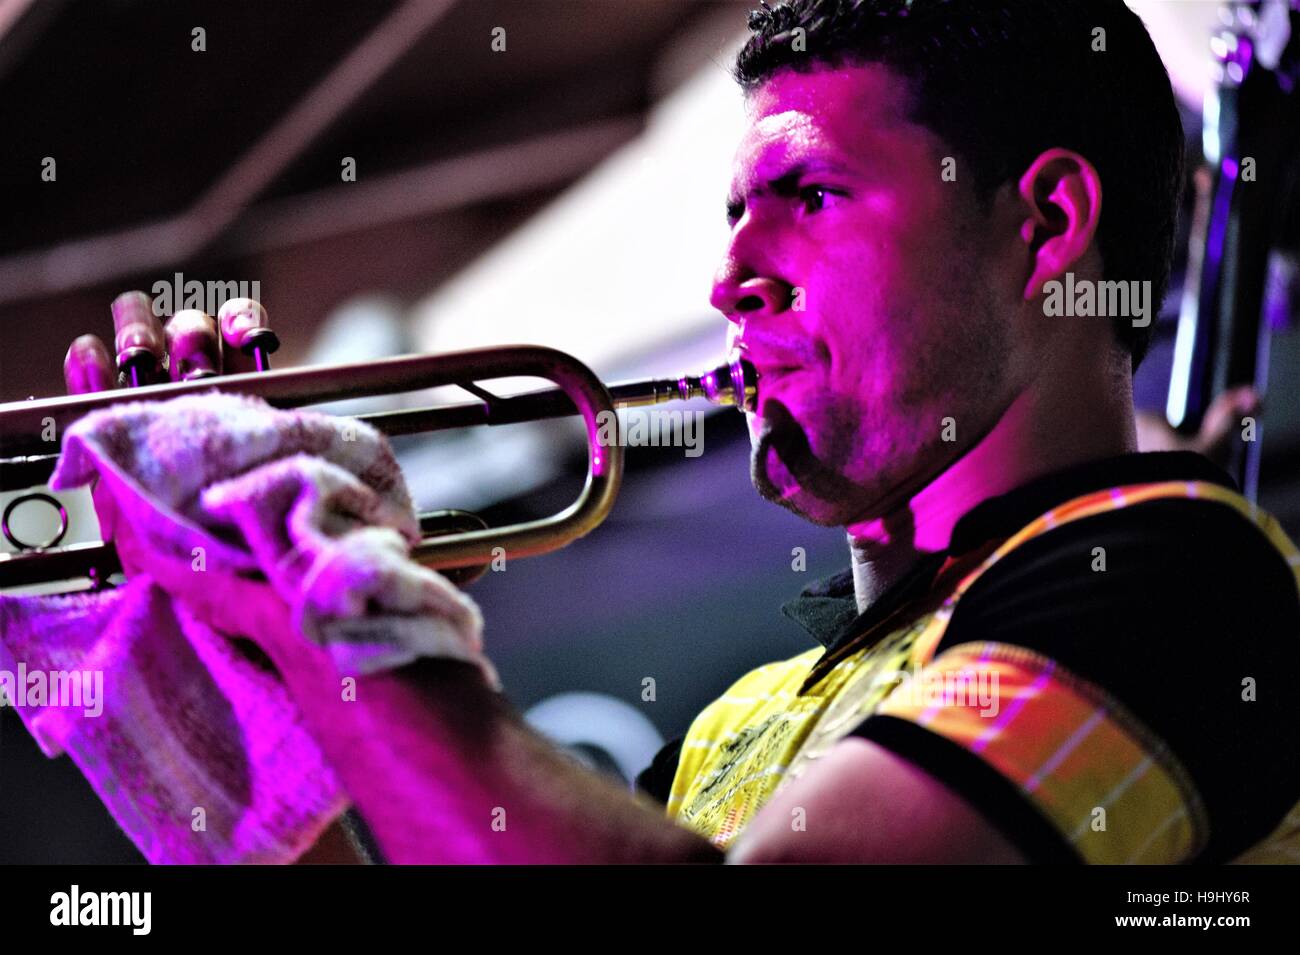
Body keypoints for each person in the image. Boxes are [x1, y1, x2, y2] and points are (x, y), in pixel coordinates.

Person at [60, 0, 1300, 864]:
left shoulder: (1180, 580)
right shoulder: (736, 722)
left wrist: (341, 597)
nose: (732, 281)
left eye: (810, 197)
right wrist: (254, 697)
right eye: (733, 218)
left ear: (1046, 219)